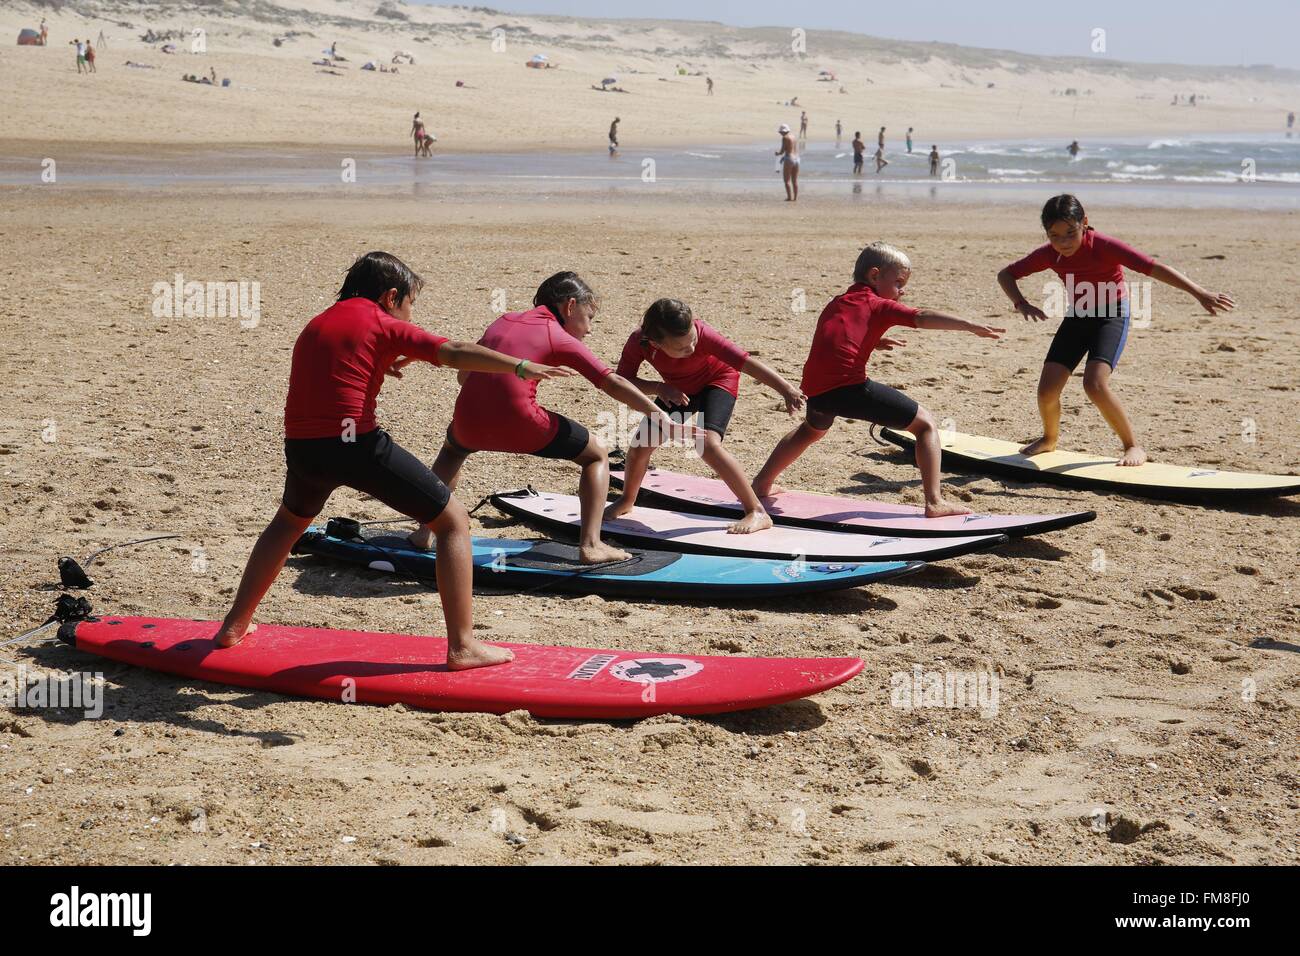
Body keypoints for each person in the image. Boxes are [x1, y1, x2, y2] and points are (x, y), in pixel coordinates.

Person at [214, 251, 574, 668]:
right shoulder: (380, 321)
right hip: (355, 446)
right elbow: (455, 351)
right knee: (452, 521)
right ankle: (463, 646)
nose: (408, 314)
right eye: (409, 304)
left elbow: (334, 367)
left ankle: (233, 626)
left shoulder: (319, 322)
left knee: (289, 523)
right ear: (390, 297)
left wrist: (378, 363)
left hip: (303, 447)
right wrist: (520, 366)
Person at [407, 272, 696, 563]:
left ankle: (425, 532)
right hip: (519, 420)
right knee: (596, 455)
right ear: (570, 306)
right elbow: (612, 382)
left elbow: (463, 376)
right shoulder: (556, 334)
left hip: (467, 416)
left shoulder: (503, 320)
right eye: (589, 316)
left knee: (453, 450)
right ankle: (592, 545)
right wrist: (661, 416)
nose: (589, 329)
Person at [753, 242, 1003, 517]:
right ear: (874, 276)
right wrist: (968, 326)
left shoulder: (839, 301)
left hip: (816, 388)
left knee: (811, 430)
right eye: (898, 282)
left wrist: (872, 340)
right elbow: (921, 316)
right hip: (848, 387)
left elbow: (835, 336)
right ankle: (935, 502)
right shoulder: (878, 305)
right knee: (926, 426)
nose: (902, 290)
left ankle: (762, 483)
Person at [996, 194, 1235, 467]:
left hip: (1111, 316)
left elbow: (1153, 267)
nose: (1064, 243)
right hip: (1079, 316)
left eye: (1071, 233)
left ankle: (1133, 446)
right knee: (1046, 391)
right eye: (1055, 236)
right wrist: (1021, 303)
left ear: (1084, 223)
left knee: (1094, 384)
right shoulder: (1049, 254)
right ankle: (1050, 438)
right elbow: (1006, 274)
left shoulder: (1105, 246)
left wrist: (1199, 292)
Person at [606, 298, 804, 534]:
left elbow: (746, 363)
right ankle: (627, 500)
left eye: (693, 341)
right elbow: (623, 380)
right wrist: (659, 387)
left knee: (707, 445)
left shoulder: (704, 334)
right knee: (640, 446)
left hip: (718, 381)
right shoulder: (639, 341)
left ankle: (757, 511)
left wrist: (787, 390)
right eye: (681, 348)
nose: (690, 349)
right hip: (677, 391)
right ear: (657, 343)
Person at [776, 123, 799, 201]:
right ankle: (795, 198)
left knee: (786, 181)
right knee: (794, 180)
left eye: (780, 132)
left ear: (783, 131)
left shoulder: (785, 138)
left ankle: (789, 197)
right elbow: (792, 148)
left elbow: (782, 151)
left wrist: (777, 153)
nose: (780, 133)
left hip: (789, 159)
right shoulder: (794, 137)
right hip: (797, 159)